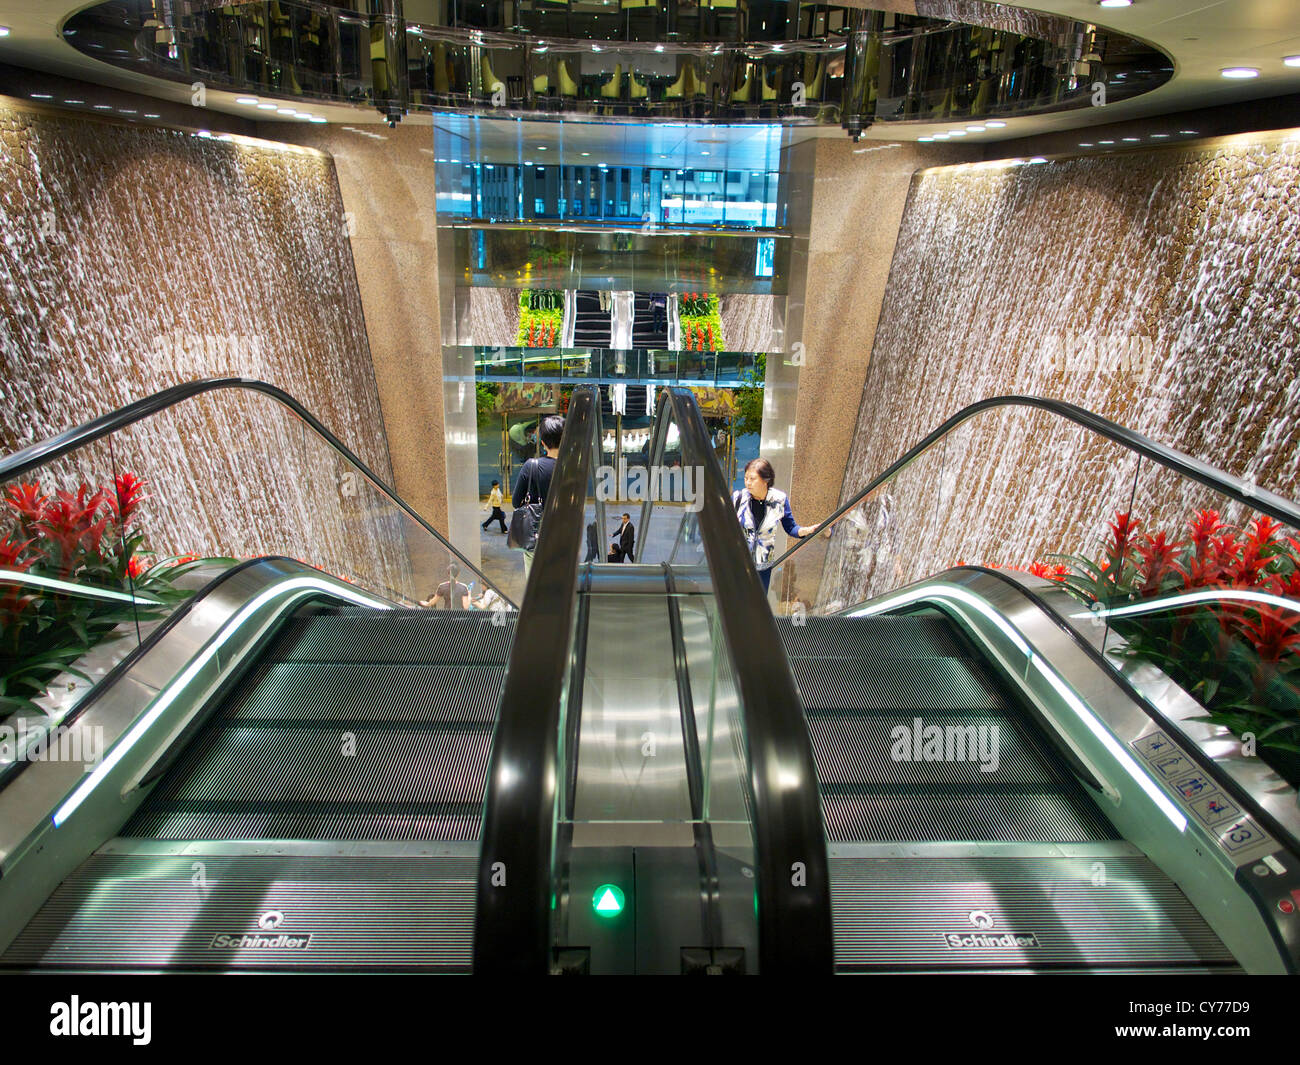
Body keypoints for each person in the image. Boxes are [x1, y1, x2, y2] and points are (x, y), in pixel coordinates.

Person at [732, 457, 819, 593]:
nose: (748, 483)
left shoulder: (779, 500)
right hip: (739, 563)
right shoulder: (738, 498)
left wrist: (806, 530)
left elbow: (790, 527)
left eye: (752, 479)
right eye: (746, 478)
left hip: (764, 566)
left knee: (758, 605)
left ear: (765, 480)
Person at [513, 414, 564, 578]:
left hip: (536, 532)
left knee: (534, 578)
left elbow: (516, 502)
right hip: (564, 531)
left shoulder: (531, 466)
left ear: (542, 442)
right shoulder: (572, 468)